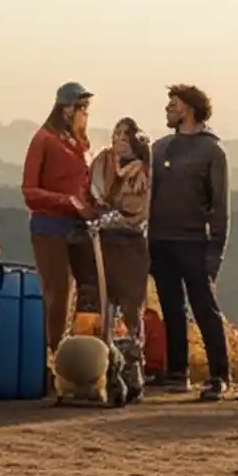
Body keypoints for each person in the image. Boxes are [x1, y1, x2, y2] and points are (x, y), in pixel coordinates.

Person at [148, 84, 231, 401]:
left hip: (195, 242)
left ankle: (218, 376)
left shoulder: (212, 151)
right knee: (171, 309)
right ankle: (177, 373)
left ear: (191, 109)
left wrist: (215, 255)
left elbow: (220, 207)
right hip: (160, 240)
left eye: (174, 103)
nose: (168, 108)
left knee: (205, 310)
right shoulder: (160, 148)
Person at [21, 82, 100, 356]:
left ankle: (82, 355)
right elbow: (29, 191)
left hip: (80, 227)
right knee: (59, 295)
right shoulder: (43, 139)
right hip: (50, 227)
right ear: (66, 109)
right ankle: (52, 357)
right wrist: (67, 202)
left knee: (90, 292)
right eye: (82, 108)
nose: (86, 114)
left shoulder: (79, 143)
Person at [80, 116, 152, 402]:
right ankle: (105, 369)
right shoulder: (102, 164)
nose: (118, 140)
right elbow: (93, 194)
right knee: (103, 308)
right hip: (103, 245)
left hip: (132, 247)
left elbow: (137, 212)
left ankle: (133, 371)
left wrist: (108, 218)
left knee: (131, 309)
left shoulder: (142, 173)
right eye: (116, 134)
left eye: (125, 135)